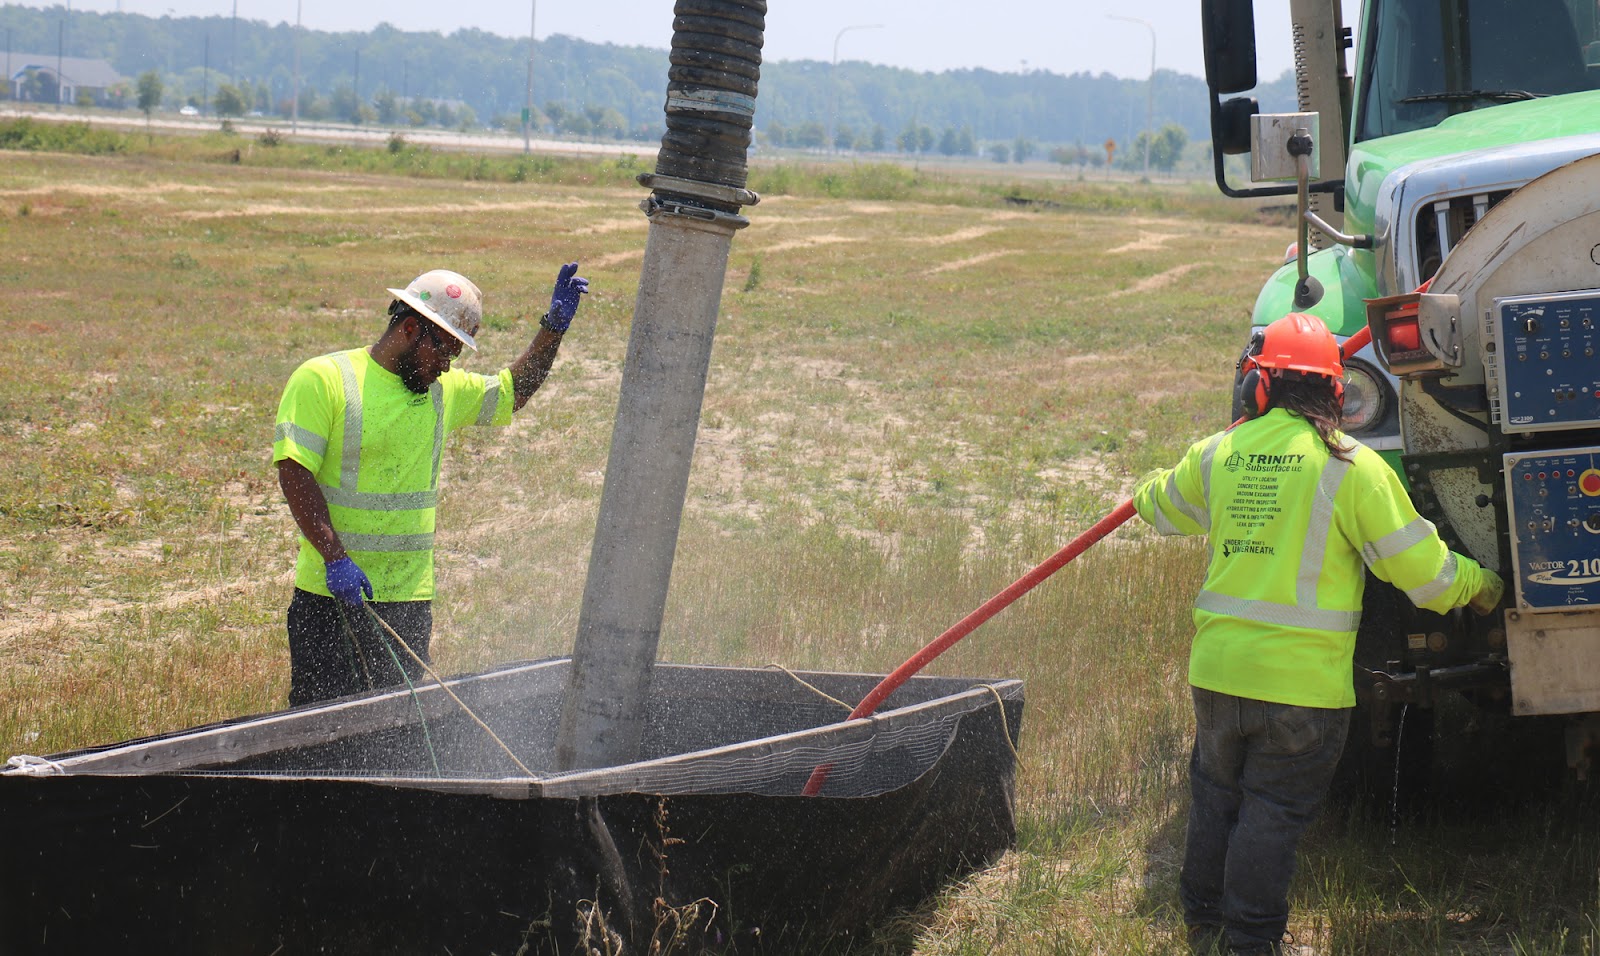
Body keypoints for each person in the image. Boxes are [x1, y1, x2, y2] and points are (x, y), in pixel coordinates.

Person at [1131, 312, 1504, 955]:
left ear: (1260, 386)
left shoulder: (1218, 452)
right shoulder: (1352, 468)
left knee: (1216, 795)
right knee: (1271, 813)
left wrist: (1143, 491)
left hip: (1217, 674)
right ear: (1337, 392)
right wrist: (1483, 585)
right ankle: (1250, 942)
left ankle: (1204, 920)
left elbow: (1160, 505)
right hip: (1302, 689)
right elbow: (1426, 576)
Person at [272, 264, 588, 706]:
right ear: (409, 328)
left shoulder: (442, 393)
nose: (446, 366)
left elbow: (514, 392)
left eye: (455, 356)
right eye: (444, 352)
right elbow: (294, 472)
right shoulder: (324, 380)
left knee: (396, 737)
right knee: (316, 732)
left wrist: (552, 330)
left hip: (406, 605)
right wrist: (334, 558)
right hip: (329, 598)